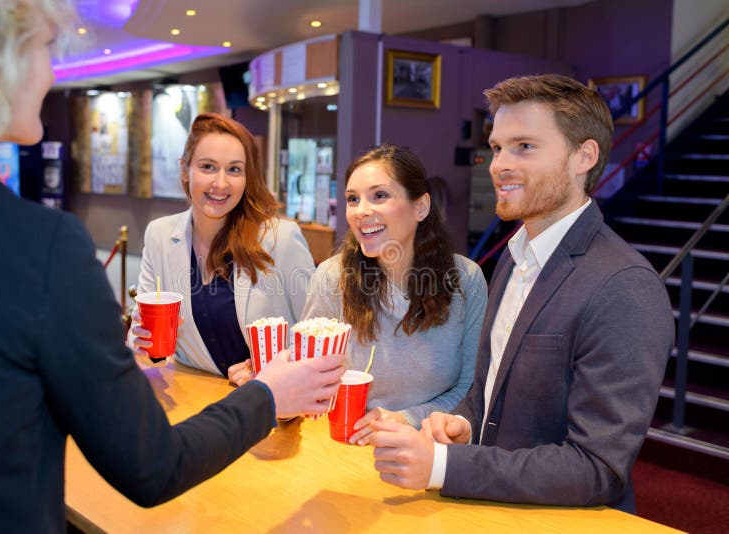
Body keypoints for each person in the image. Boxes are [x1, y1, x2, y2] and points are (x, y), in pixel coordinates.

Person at [0, 1, 345, 532]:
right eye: (43, 50)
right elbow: (152, 464)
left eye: (234, 169)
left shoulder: (278, 239)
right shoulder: (43, 245)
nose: (52, 72)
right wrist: (266, 395)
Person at [368, 74, 674, 512]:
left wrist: (442, 466)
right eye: (496, 148)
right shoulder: (512, 258)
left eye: (524, 147)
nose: (498, 165)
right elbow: (491, 391)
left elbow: (597, 468)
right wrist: (463, 427)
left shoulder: (624, 286)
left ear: (583, 156)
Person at [301, 144, 487, 444]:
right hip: (343, 445)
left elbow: (470, 387)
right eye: (353, 199)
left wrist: (405, 418)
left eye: (379, 196)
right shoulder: (331, 278)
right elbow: (307, 377)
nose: (362, 210)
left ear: (421, 207)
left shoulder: (467, 280)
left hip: (429, 450)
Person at [128, 113, 316, 382]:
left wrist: (268, 369)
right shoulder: (159, 235)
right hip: (195, 403)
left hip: (269, 408)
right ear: (184, 169)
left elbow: (318, 335)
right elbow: (141, 326)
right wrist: (139, 340)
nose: (221, 183)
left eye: (234, 169)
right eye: (208, 167)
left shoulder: (281, 239)